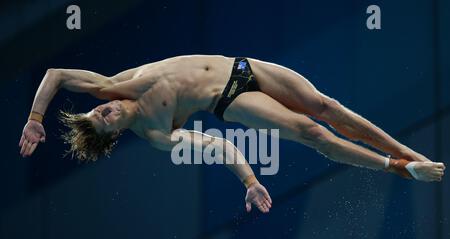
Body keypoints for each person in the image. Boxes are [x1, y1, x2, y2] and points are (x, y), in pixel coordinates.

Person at [19, 55, 445, 213]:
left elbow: (56, 74)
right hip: (231, 101)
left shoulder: (110, 85)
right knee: (312, 132)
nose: (104, 110)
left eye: (96, 111)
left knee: (327, 107)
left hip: (244, 67)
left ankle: (411, 156)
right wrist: (251, 181)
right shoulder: (155, 133)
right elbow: (219, 146)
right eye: (104, 120)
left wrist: (37, 116)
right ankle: (397, 168)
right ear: (113, 134)